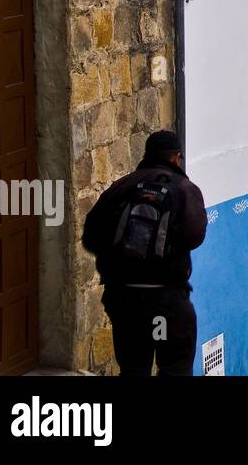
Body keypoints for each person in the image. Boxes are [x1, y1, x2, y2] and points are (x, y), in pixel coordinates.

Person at [82, 130, 207, 376]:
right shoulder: (184, 188)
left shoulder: (122, 186)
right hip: (167, 301)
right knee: (175, 367)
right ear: (177, 158)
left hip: (125, 299)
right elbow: (195, 236)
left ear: (147, 155)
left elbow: (91, 237)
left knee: (133, 368)